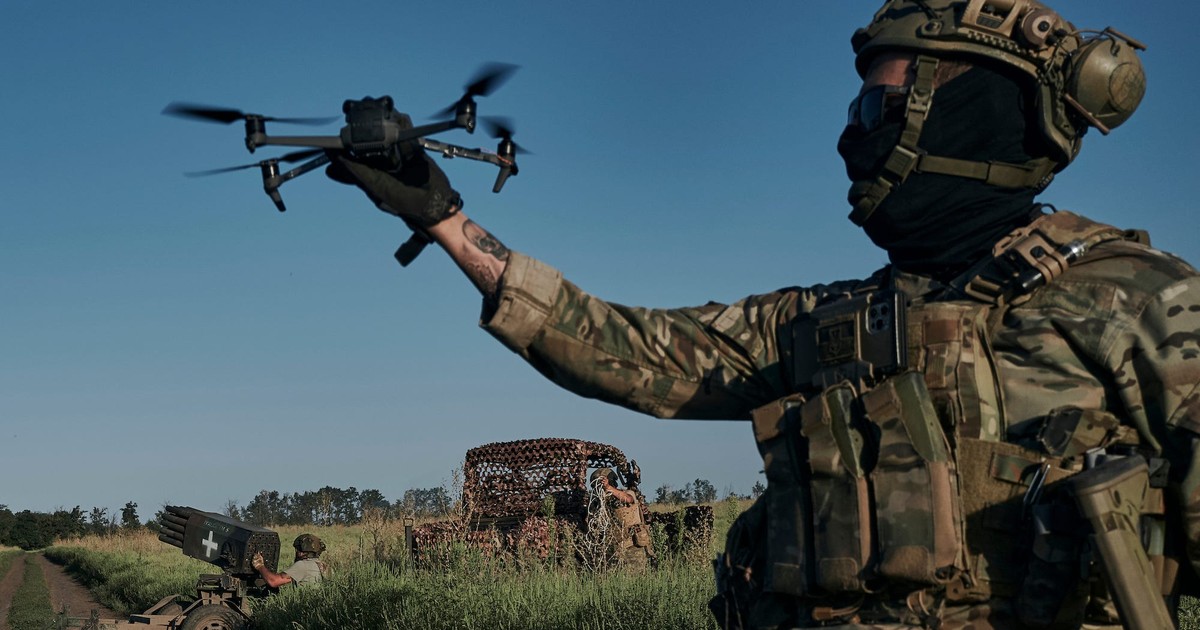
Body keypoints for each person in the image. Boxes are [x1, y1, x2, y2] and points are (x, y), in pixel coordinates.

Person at [326, 1, 1198, 627]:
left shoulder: (1136, 298)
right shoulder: (828, 325)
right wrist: (443, 219)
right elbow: (625, 350)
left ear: (974, 112)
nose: (853, 135)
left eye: (878, 106)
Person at [251, 533, 328, 588]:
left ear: (301, 552)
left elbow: (273, 581)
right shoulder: (323, 565)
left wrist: (260, 566)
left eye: (297, 549)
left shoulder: (302, 565)